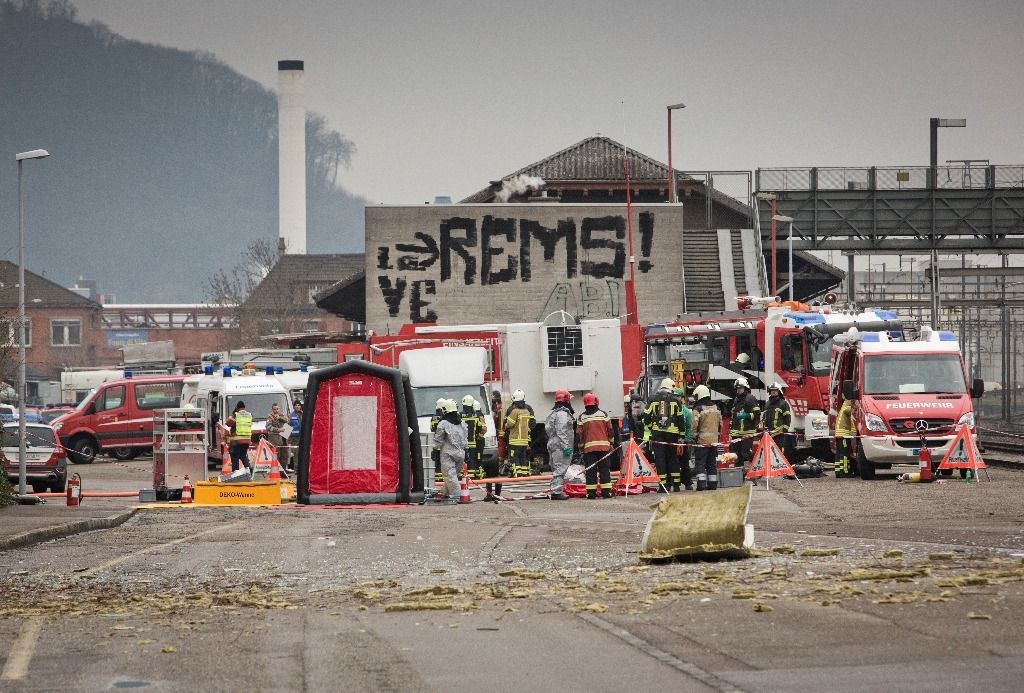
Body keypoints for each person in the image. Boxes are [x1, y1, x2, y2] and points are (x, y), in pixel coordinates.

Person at [642, 378, 686, 492]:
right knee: (673, 458)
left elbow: (646, 417)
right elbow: (681, 419)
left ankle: (663, 486)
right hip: (673, 434)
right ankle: (676, 485)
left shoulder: (653, 399)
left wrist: (651, 427)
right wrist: (681, 436)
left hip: (658, 435)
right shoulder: (676, 400)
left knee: (660, 459)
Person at [576, 392, 614, 499]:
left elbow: (579, 435)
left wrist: (580, 447)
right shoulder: (604, 415)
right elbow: (610, 430)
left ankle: (591, 493)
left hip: (589, 449)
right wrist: (611, 443)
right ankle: (606, 492)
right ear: (596, 401)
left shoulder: (581, 417)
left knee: (590, 471)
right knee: (604, 470)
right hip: (604, 448)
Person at [433, 399, 467, 503]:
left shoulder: (443, 423)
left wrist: (435, 450)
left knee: (449, 475)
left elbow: (438, 439)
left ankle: (456, 496)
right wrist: (467, 451)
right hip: (461, 453)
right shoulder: (462, 423)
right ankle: (444, 493)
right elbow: (465, 439)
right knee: (453, 476)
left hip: (448, 453)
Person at [691, 385, 723, 490]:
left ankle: (701, 485)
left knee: (700, 463)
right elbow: (720, 425)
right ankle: (713, 484)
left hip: (702, 442)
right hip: (714, 442)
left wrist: (694, 438)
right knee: (711, 463)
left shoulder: (698, 409)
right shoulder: (716, 408)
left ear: (699, 395)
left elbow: (694, 425)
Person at [545, 390, 575, 500]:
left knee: (557, 469)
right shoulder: (562, 414)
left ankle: (556, 490)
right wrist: (566, 446)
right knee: (560, 468)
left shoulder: (554, 413)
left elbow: (549, 429)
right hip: (560, 446)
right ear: (566, 400)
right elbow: (562, 431)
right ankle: (556, 492)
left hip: (554, 444)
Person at [729, 377, 761, 469]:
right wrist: (731, 430)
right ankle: (740, 474)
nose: (738, 390)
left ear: (745, 388)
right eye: (737, 388)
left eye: (740, 388)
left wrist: (747, 415)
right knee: (736, 455)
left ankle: (758, 466)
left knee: (746, 453)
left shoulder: (751, 398)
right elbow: (733, 415)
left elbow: (757, 414)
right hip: (736, 432)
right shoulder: (736, 399)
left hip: (747, 432)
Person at [503, 389, 535, 478]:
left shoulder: (513, 411)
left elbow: (509, 424)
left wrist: (505, 427)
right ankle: (524, 472)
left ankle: (517, 473)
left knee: (515, 456)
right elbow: (532, 423)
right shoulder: (527, 411)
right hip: (525, 439)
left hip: (515, 439)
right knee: (523, 456)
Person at [761, 381, 794, 461]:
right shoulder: (767, 403)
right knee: (768, 452)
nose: (773, 392)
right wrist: (762, 427)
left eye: (775, 391)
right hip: (768, 433)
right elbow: (764, 417)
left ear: (779, 392)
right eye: (772, 391)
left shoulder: (783, 403)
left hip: (779, 433)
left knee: (779, 452)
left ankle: (780, 468)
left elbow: (787, 418)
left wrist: (784, 430)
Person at [672, 386, 695, 491]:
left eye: (678, 396)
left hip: (684, 441)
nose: (676, 398)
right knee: (674, 463)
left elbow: (689, 427)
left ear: (682, 398)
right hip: (673, 441)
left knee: (685, 463)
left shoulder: (686, 412)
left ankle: (688, 483)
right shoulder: (671, 410)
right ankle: (675, 485)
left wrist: (688, 440)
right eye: (674, 396)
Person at [461, 394, 486, 483]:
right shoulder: (476, 416)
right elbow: (481, 427)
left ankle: (464, 475)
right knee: (472, 459)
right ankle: (472, 476)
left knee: (464, 459)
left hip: (463, 443)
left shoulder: (460, 415)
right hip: (473, 442)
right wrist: (477, 435)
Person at [226, 401, 254, 475]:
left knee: (234, 457)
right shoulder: (249, 415)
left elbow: (228, 423)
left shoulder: (236, 415)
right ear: (244, 407)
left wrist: (230, 417)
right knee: (243, 455)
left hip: (237, 440)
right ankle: (249, 469)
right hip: (247, 440)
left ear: (237, 407)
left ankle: (235, 474)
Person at [834, 398, 856, 478]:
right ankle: (845, 472)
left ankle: (838, 472)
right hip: (844, 435)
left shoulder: (842, 408)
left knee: (839, 453)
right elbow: (853, 418)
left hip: (839, 435)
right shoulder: (847, 408)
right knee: (845, 454)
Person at [265, 402, 291, 470]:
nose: (276, 410)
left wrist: (279, 418)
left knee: (285, 456)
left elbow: (287, 420)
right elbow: (268, 427)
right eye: (274, 409)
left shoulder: (282, 415)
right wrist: (278, 429)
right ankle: (277, 471)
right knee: (277, 456)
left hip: (284, 440)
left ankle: (283, 471)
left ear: (279, 409)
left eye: (277, 409)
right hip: (275, 441)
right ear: (272, 410)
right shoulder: (270, 417)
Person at [430, 398, 446, 484]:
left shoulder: (433, 417)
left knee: (437, 461)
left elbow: (432, 428)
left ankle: (438, 476)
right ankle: (443, 476)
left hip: (436, 442)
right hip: (444, 443)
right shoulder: (445, 418)